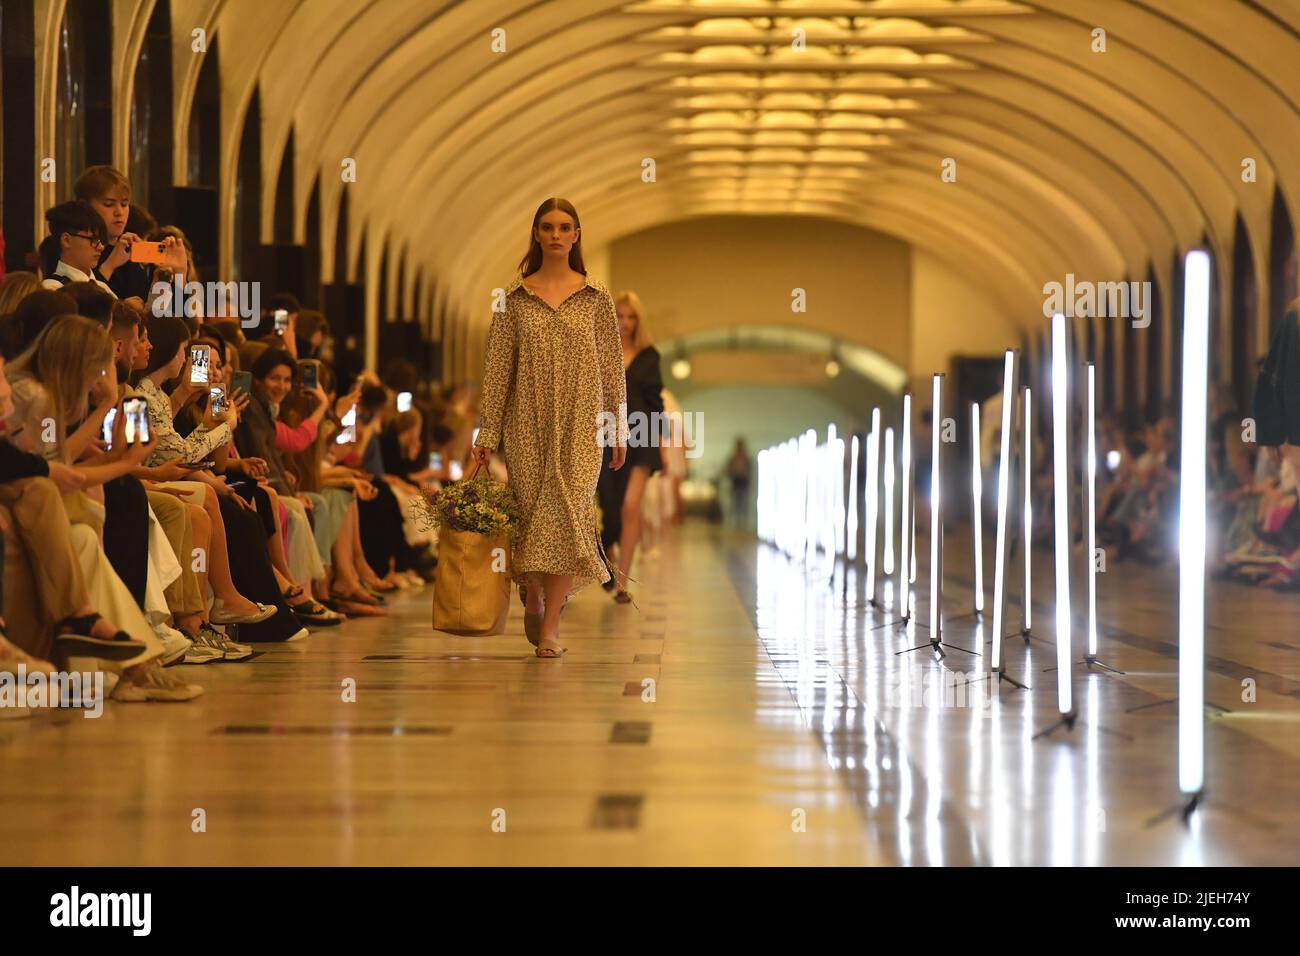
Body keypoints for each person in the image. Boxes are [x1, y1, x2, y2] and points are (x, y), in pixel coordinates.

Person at [471, 197, 627, 658]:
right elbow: (498, 369)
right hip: (527, 421)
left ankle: (553, 621)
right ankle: (533, 592)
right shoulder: (514, 299)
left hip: (582, 420)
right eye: (547, 227)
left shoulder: (596, 298)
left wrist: (618, 426)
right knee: (535, 511)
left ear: (577, 235)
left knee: (572, 509)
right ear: (536, 234)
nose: (556, 235)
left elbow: (611, 366)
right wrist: (488, 434)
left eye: (565, 227)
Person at [596, 291, 664, 603]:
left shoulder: (650, 356)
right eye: (620, 316)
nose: (624, 322)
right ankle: (604, 557)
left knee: (630, 506)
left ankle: (623, 583)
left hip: (644, 434)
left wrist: (659, 443)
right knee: (609, 507)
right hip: (606, 434)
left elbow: (655, 402)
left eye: (631, 316)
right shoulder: (601, 352)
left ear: (639, 321)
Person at [39, 202, 114, 296]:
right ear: (66, 240)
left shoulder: (103, 288)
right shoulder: (52, 289)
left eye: (100, 240)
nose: (101, 247)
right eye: (93, 239)